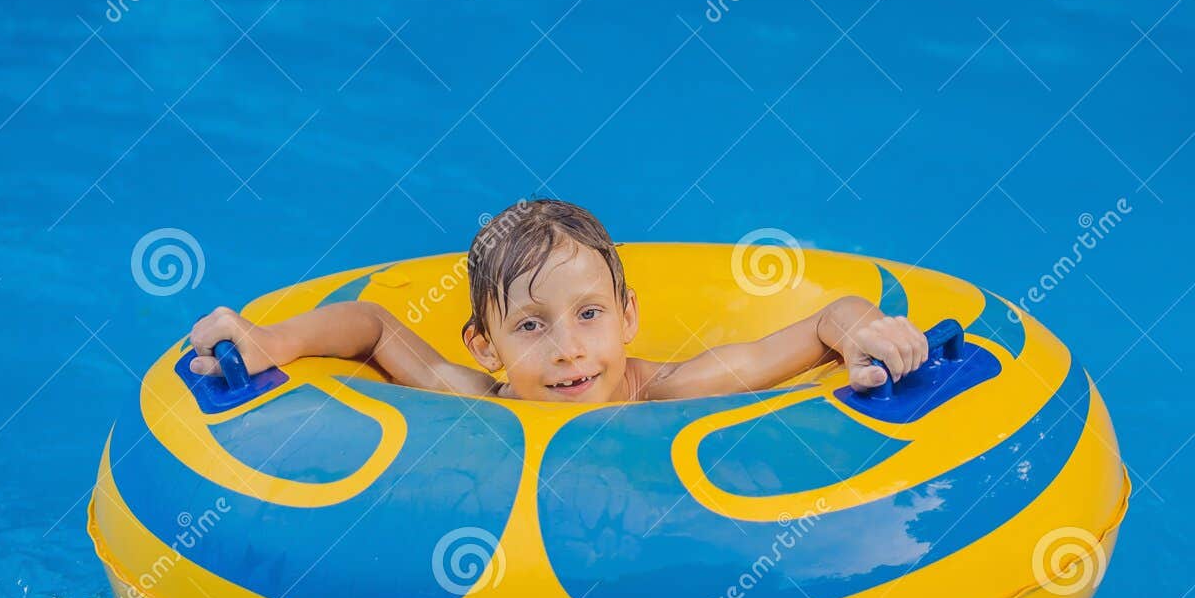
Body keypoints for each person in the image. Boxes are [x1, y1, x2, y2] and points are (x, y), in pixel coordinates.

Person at [189, 199, 928, 403]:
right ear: (486, 344)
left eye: (589, 314)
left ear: (630, 315)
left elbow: (811, 329)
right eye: (532, 325)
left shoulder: (661, 390)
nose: (569, 348)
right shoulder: (480, 391)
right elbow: (374, 325)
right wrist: (273, 342)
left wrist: (863, 328)